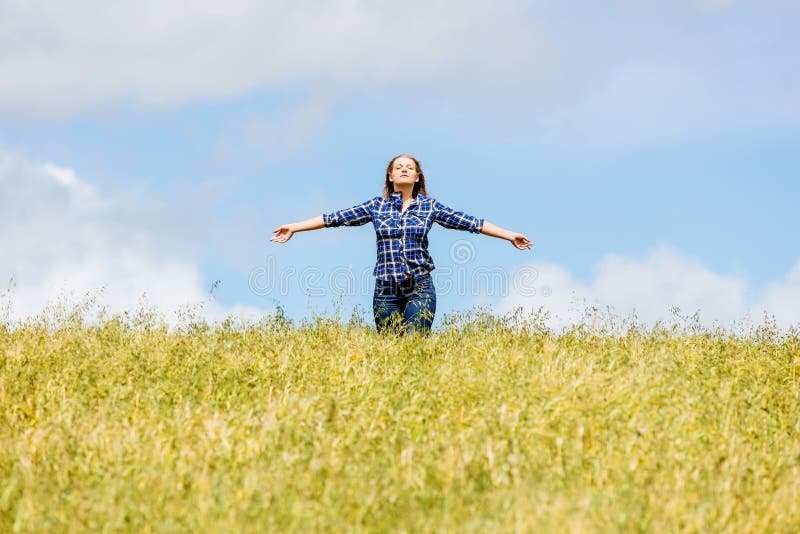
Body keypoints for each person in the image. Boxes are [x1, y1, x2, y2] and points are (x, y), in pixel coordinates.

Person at [270, 154, 533, 335]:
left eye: (410, 167)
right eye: (399, 167)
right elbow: (334, 218)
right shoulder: (376, 206)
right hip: (385, 290)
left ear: (417, 177)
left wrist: (509, 235)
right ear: (391, 176)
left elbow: (470, 222)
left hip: (419, 286)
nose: (404, 169)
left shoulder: (429, 207)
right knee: (390, 349)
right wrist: (294, 226)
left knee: (414, 343)